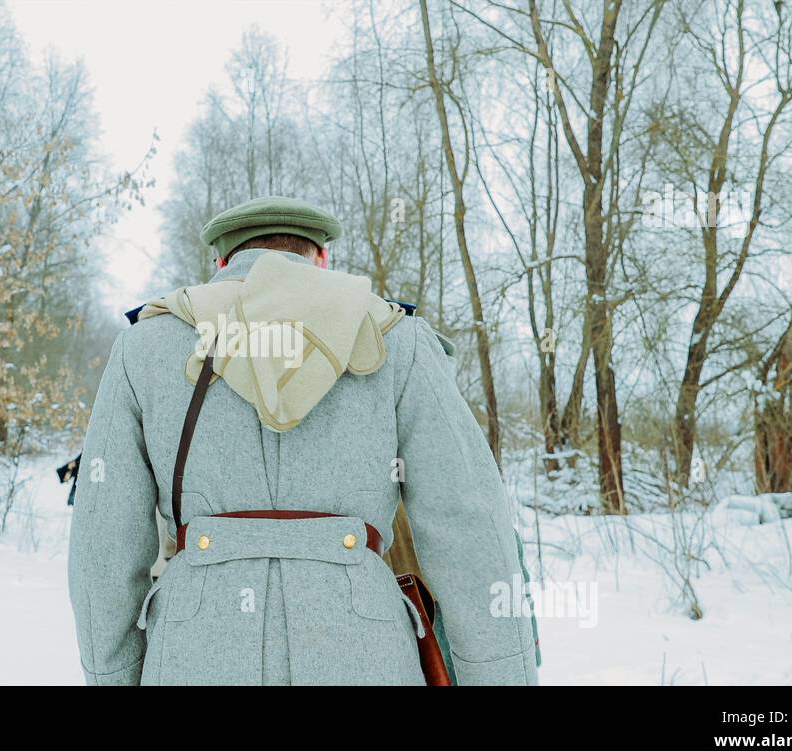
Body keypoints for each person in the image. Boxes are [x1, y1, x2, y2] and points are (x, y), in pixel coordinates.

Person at [67, 195, 538, 685]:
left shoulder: (143, 347)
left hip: (194, 656)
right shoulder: (400, 341)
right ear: (321, 258)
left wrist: (114, 677)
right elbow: (470, 529)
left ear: (222, 263)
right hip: (366, 657)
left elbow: (103, 546)